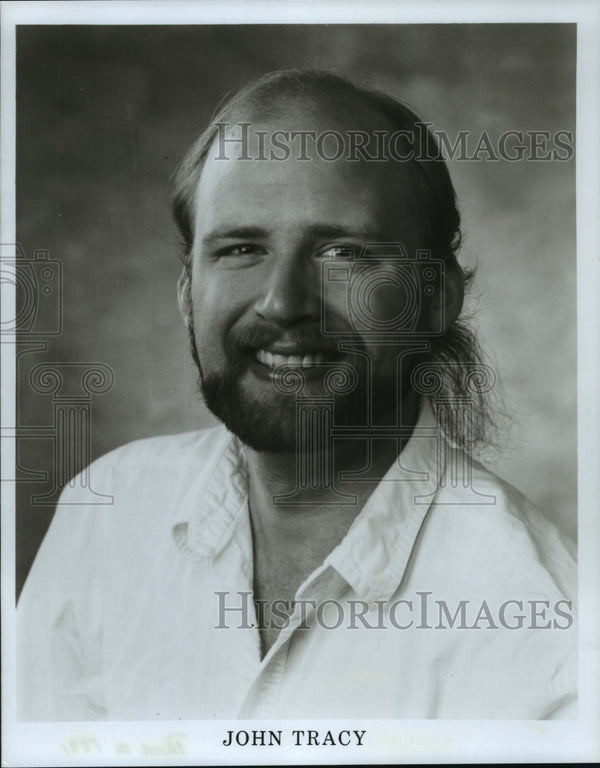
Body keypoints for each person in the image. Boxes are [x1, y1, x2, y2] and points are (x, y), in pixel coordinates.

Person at [17, 69, 576, 721]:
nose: (283, 302)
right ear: (185, 292)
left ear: (436, 298)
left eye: (344, 251)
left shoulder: (550, 631)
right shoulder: (106, 513)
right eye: (241, 248)